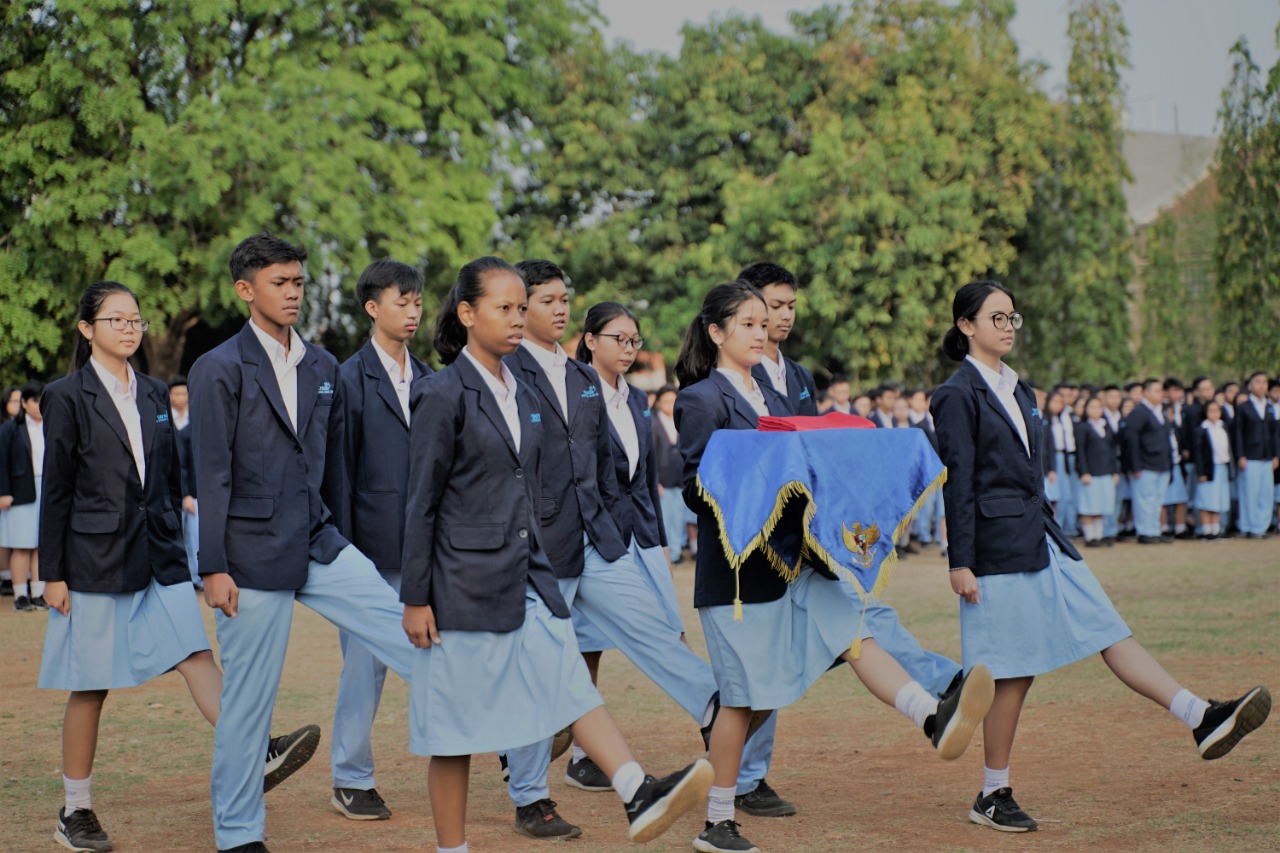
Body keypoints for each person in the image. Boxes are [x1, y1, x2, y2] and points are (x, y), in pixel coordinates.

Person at [932, 279, 1272, 834]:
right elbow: (959, 480)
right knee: (1011, 674)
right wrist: (959, 560)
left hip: (1043, 538)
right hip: (995, 550)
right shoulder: (955, 394)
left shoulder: (1022, 391)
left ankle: (1199, 715)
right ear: (966, 325)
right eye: (996, 318)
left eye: (1012, 318)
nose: (1007, 327)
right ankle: (993, 793)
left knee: (1109, 629)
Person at [401, 257, 712, 853]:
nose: (519, 319)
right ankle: (452, 848)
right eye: (506, 308)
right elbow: (420, 505)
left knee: (572, 684)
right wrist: (416, 597)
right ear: (467, 314)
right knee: (453, 734)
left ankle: (636, 790)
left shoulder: (526, 390)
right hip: (462, 586)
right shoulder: (441, 394)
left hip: (532, 575)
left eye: (524, 308)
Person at [676, 281, 994, 853]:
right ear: (716, 332)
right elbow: (698, 491)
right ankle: (716, 821)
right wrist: (762, 470)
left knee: (857, 633)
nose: (759, 331)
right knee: (743, 702)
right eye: (746, 323)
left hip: (800, 563)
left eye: (761, 322)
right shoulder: (700, 399)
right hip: (741, 578)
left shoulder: (773, 397)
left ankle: (931, 716)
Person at [37, 281, 318, 853]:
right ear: (87, 329)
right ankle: (76, 810)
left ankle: (256, 749)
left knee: (195, 655)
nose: (129, 329)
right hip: (93, 559)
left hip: (159, 554)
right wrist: (53, 573)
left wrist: (179, 544)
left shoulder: (156, 392)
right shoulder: (65, 395)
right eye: (115, 320)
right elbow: (57, 489)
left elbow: (167, 482)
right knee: (91, 689)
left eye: (135, 320)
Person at [190, 233, 419, 853]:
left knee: (408, 631)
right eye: (279, 283)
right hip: (247, 553)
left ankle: (506, 727)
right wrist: (213, 566)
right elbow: (211, 473)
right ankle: (238, 835)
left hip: (320, 540)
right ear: (246, 290)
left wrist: (347, 539)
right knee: (248, 704)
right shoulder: (216, 368)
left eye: (298, 282)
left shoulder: (322, 367)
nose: (293, 293)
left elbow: (330, 465)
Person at [501, 260, 720, 840]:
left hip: (596, 539)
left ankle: (717, 707)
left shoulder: (579, 378)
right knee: (545, 668)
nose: (559, 307)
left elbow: (598, 467)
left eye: (563, 297)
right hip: (538, 549)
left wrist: (609, 532)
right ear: (520, 308)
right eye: (545, 299)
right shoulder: (505, 370)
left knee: (652, 624)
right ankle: (528, 796)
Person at [323, 258, 430, 821]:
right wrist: (345, 554)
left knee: (449, 650)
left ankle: (508, 748)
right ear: (372, 307)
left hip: (430, 550)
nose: (412, 312)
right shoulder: (347, 378)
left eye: (417, 302)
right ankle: (351, 777)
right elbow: (337, 473)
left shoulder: (432, 377)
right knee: (365, 666)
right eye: (400, 302)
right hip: (368, 551)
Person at [738, 262, 819, 417]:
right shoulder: (737, 373)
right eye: (776, 306)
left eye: (791, 307)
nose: (787, 316)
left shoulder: (802, 376)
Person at [1, 381, 47, 611]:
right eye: (35, 400)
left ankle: (39, 593)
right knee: (21, 545)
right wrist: (4, 492)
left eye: (42, 400)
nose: (39, 405)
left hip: (47, 489)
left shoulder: (52, 425)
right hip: (20, 491)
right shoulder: (11, 428)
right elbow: (2, 462)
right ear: (25, 403)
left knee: (41, 544)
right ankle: (20, 594)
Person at [1123, 379, 1175, 544]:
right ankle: (1145, 532)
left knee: (1157, 500)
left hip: (1161, 463)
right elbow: (1131, 440)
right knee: (1144, 500)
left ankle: (1155, 530)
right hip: (1145, 464)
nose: (1161, 394)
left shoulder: (1161, 411)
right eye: (1157, 390)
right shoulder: (1139, 412)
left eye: (1161, 391)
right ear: (1146, 393)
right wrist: (1135, 465)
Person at [1232, 371, 1278, 538]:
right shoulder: (1243, 408)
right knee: (1249, 493)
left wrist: (1276, 455)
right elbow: (1237, 433)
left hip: (1267, 456)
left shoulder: (1270, 408)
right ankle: (1248, 527)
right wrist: (1240, 455)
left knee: (1266, 494)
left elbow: (1275, 434)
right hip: (1250, 456)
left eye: (1264, 382)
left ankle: (1261, 527)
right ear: (1250, 386)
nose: (1261, 386)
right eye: (1258, 382)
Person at [169, 375, 201, 588]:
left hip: (195, 493)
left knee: (195, 537)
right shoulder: (164, 421)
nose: (181, 397)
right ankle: (180, 576)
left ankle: (196, 577)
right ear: (170, 396)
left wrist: (190, 493)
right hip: (171, 491)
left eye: (184, 393)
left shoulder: (197, 421)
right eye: (177, 393)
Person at [1074, 396, 1118, 547]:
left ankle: (1098, 536)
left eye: (1099, 407)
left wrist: (1115, 471)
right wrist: (1084, 472)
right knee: (1088, 506)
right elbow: (1080, 451)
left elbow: (1112, 451)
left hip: (1105, 472)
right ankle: (1089, 536)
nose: (1096, 410)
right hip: (1090, 473)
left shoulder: (1105, 426)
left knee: (1101, 506)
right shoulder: (1082, 427)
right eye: (1092, 407)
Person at [651, 386, 688, 563]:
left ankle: (675, 553)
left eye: (673, 400)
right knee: (664, 520)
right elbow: (649, 456)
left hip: (679, 479)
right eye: (666, 401)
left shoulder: (680, 421)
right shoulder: (653, 423)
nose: (669, 405)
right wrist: (655, 481)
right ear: (658, 403)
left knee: (678, 519)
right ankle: (665, 556)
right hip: (662, 482)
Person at [1193, 400, 1232, 540]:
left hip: (1222, 467)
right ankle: (1206, 530)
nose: (1214, 414)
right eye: (1211, 411)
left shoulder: (1223, 427)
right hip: (1209, 469)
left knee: (1218, 500)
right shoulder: (1201, 430)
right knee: (1206, 500)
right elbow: (1198, 453)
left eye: (1217, 410)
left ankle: (1216, 529)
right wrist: (1201, 472)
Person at [0, 385, 21, 597]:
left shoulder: (24, 427)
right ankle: (6, 576)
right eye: (13, 401)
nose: (18, 405)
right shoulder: (6, 429)